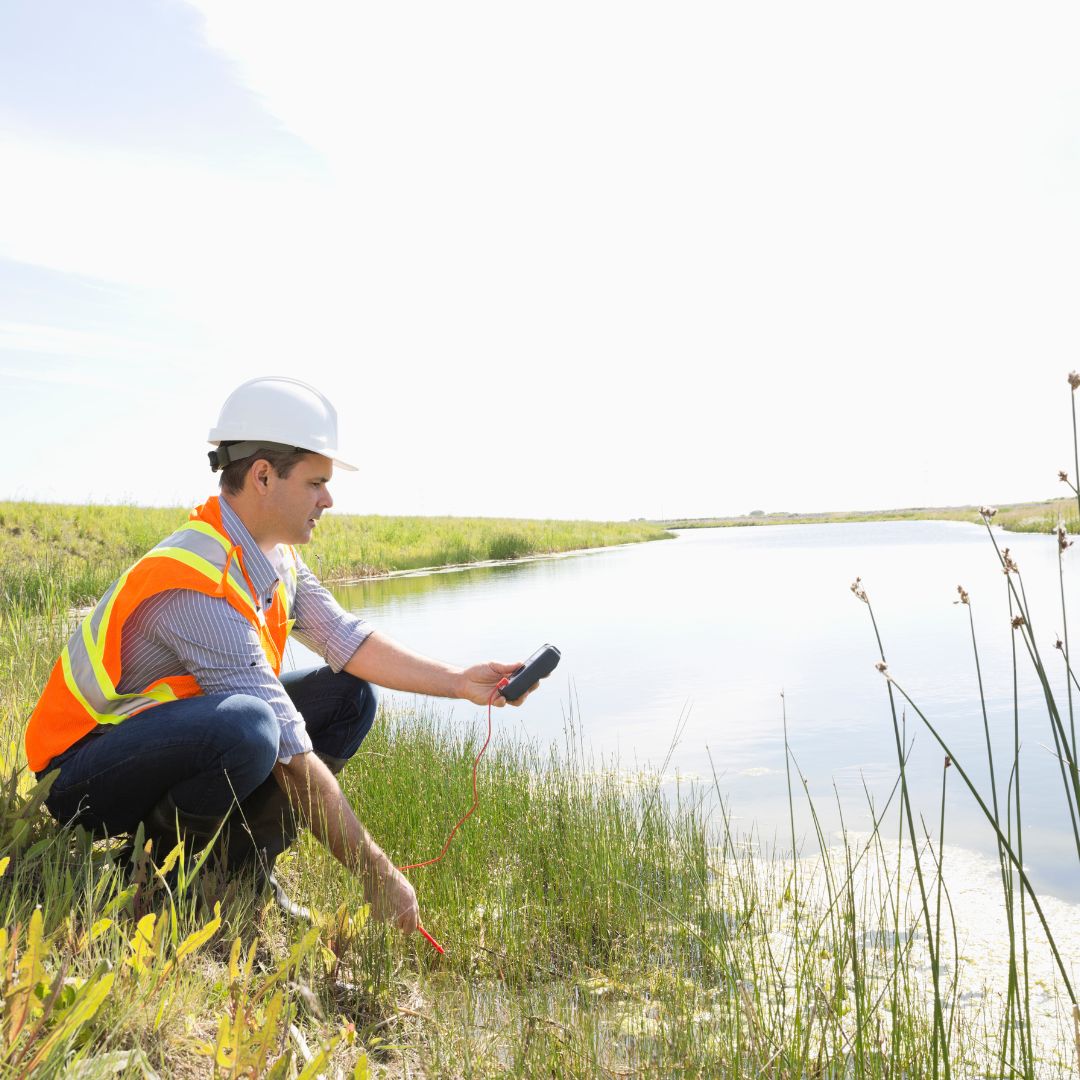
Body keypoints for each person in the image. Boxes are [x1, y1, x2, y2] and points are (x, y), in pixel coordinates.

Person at [24, 376, 538, 934]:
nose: (328, 499)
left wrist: (459, 681)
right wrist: (377, 874)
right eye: (316, 482)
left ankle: (242, 871)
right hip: (81, 778)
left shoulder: (274, 554)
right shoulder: (200, 580)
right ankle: (152, 880)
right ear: (264, 476)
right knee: (251, 728)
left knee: (348, 697)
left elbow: (346, 640)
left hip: (163, 738)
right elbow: (289, 753)